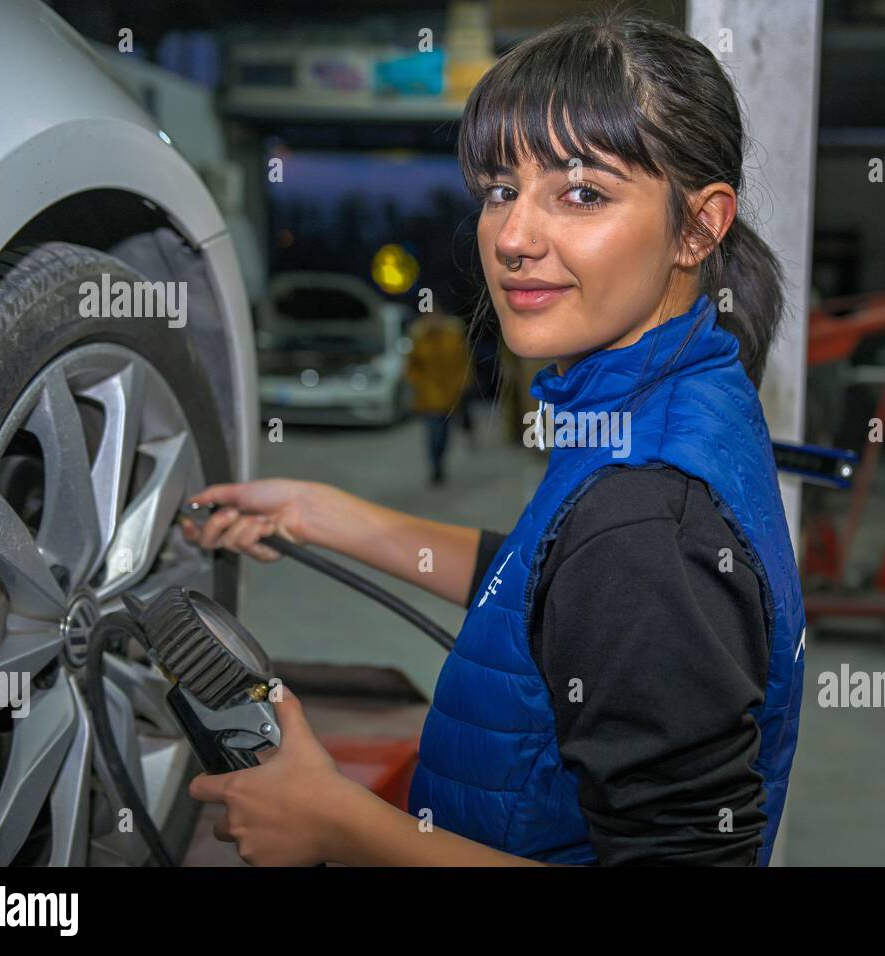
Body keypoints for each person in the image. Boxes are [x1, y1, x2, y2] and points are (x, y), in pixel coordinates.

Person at [177, 9, 806, 866]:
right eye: (502, 190)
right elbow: (550, 582)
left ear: (698, 227)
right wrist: (321, 513)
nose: (511, 238)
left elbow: (614, 569)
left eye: (582, 193)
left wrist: (341, 824)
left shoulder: (647, 524)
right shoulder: (681, 396)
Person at [403, 309, 472, 484]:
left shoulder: (452, 337)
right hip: (429, 396)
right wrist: (419, 384)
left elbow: (463, 362)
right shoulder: (419, 340)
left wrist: (462, 384)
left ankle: (440, 461)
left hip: (450, 395)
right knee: (433, 433)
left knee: (444, 435)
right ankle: (435, 467)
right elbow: (411, 367)